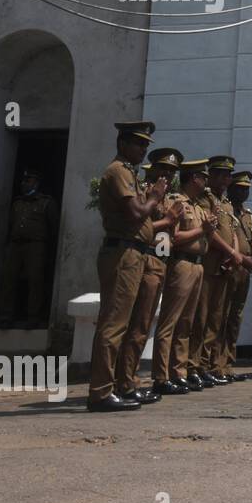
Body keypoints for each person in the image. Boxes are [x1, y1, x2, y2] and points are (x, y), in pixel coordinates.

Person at [88, 122, 169, 411]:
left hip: (134, 254)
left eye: (146, 145)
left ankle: (122, 385)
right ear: (123, 144)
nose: (144, 150)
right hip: (122, 254)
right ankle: (100, 392)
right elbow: (136, 213)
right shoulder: (118, 171)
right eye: (139, 144)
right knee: (113, 325)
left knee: (127, 324)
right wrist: (155, 196)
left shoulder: (129, 173)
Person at [116, 150, 182, 403]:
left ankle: (129, 379)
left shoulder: (166, 198)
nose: (167, 175)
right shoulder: (145, 193)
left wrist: (171, 221)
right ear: (151, 169)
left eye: (172, 171)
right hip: (145, 259)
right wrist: (166, 220)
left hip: (162, 262)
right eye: (163, 169)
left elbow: (171, 232)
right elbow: (137, 226)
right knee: (134, 326)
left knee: (143, 327)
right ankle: (123, 382)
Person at [193, 155, 252, 385]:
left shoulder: (226, 204)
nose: (224, 180)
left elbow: (234, 232)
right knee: (202, 317)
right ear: (212, 176)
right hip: (209, 265)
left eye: (227, 176)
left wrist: (235, 255)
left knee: (217, 319)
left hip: (226, 267)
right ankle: (195, 366)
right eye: (220, 175)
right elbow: (210, 232)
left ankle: (210, 365)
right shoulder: (205, 199)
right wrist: (233, 253)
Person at [156, 160, 215, 394]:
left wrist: (208, 229)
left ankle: (178, 372)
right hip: (181, 262)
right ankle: (161, 375)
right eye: (204, 177)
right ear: (193, 178)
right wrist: (203, 230)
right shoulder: (176, 202)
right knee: (170, 321)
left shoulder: (198, 207)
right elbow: (175, 237)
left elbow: (205, 240)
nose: (206, 182)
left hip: (198, 264)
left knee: (186, 323)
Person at [0, 169, 59, 328]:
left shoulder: (46, 202)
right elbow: (11, 224)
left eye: (29, 181)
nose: (24, 184)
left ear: (36, 184)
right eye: (24, 181)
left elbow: (53, 226)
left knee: (35, 280)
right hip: (16, 244)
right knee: (9, 279)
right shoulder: (18, 203)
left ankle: (33, 316)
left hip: (36, 245)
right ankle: (6, 315)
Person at [218, 170, 252, 382]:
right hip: (228, 267)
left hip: (245, 269)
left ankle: (227, 362)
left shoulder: (247, 214)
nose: (243, 193)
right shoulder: (224, 209)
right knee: (221, 315)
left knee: (236, 316)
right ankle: (215, 363)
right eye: (240, 189)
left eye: (246, 190)